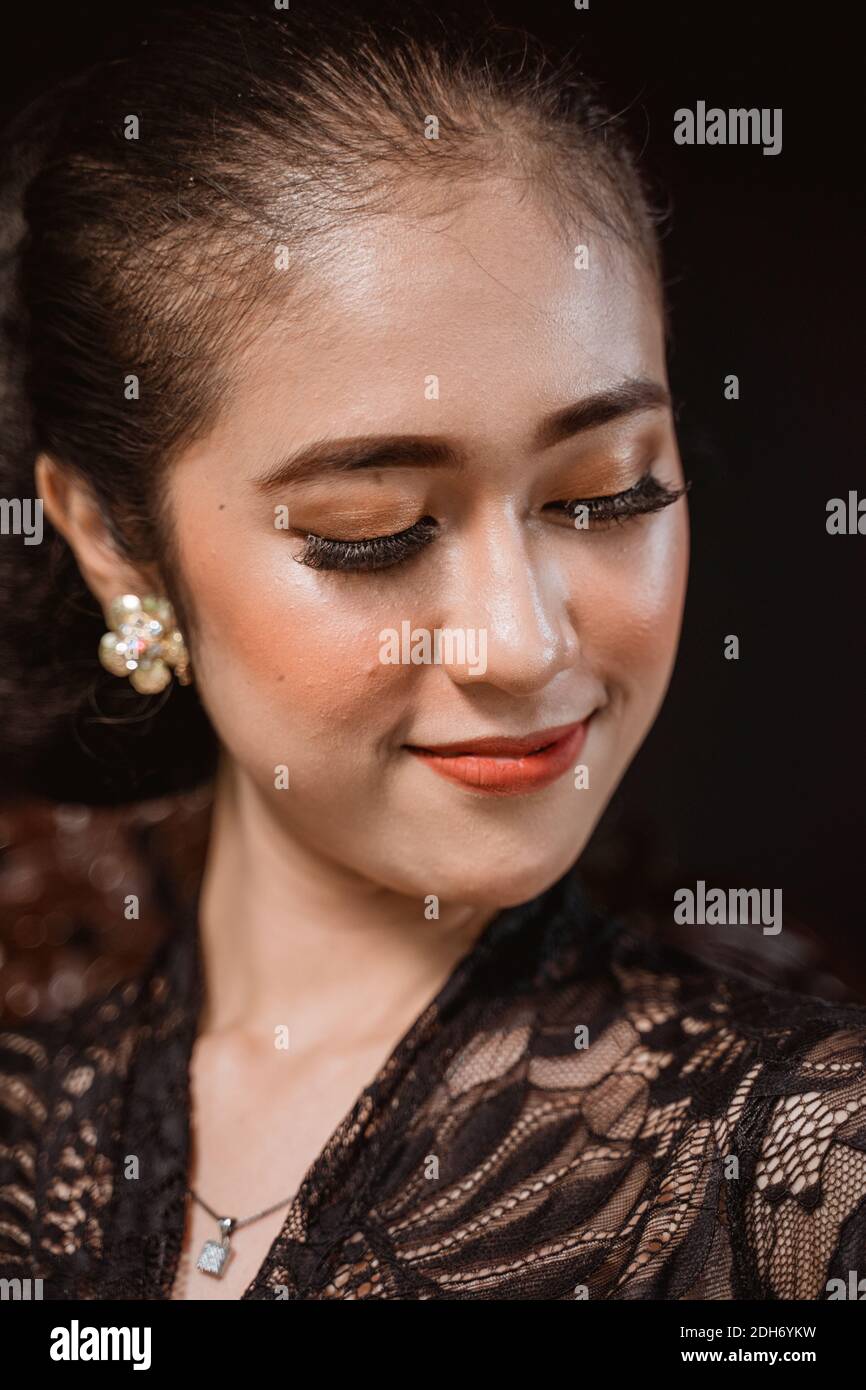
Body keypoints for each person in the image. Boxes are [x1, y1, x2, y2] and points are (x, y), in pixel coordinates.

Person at [1, 1, 864, 1301]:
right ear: (118, 543)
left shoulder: (799, 1165)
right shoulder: (35, 926)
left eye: (604, 490)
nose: (520, 642)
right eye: (372, 531)